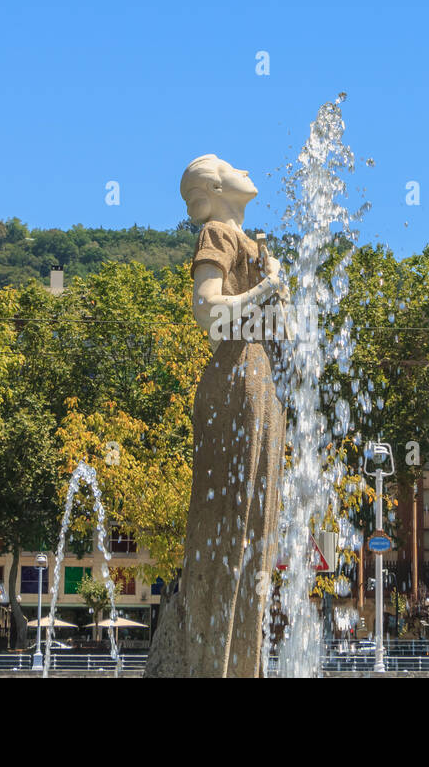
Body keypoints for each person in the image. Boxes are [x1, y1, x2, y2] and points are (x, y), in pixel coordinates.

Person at [145, 155, 287, 678]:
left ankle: (234, 660)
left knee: (254, 530)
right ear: (215, 184)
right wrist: (267, 289)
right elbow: (208, 311)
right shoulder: (218, 234)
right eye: (231, 165)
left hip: (263, 380)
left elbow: (279, 330)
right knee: (232, 525)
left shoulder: (258, 245)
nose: (247, 170)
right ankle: (209, 659)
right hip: (238, 379)